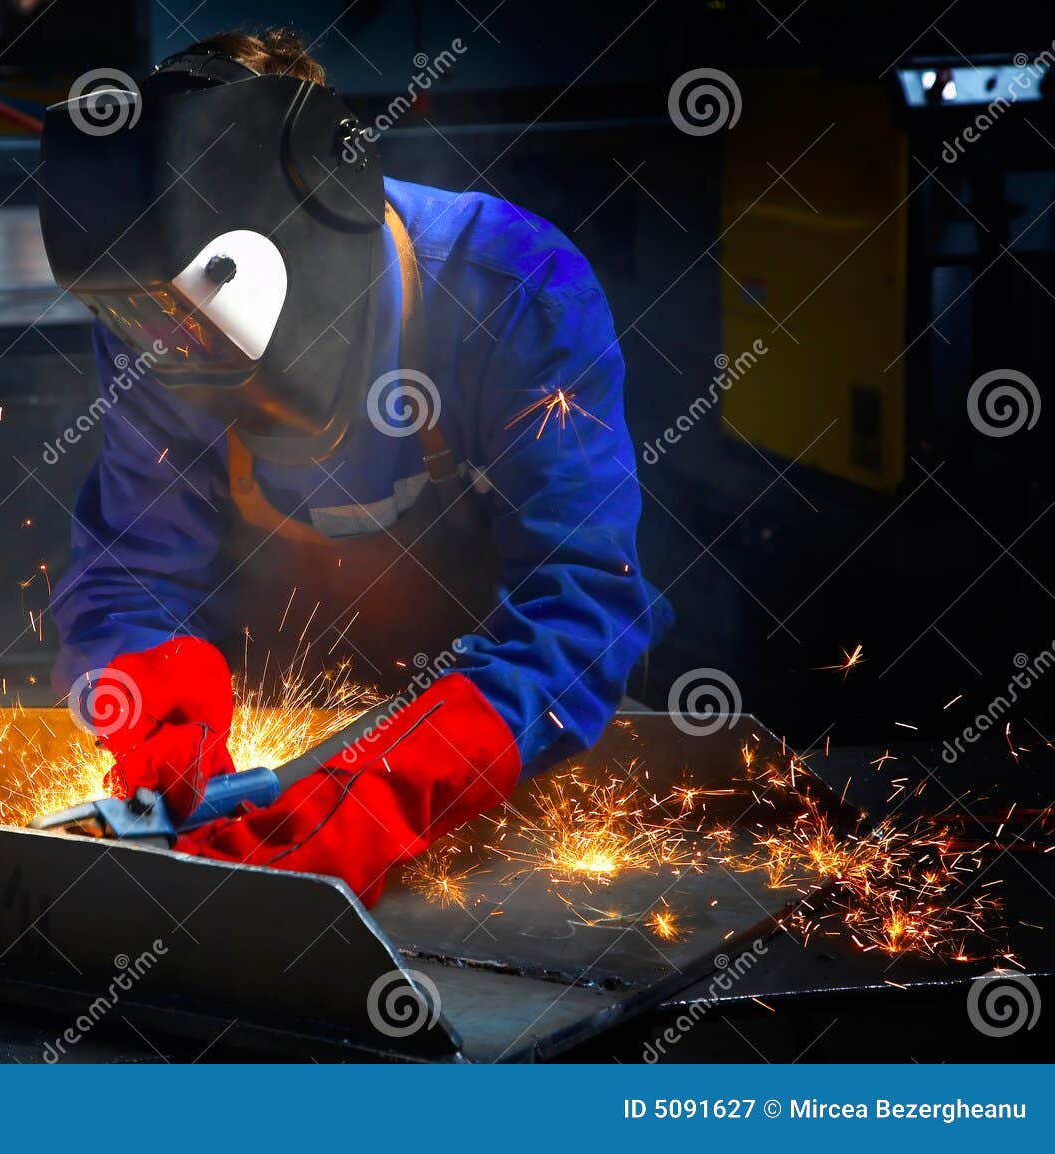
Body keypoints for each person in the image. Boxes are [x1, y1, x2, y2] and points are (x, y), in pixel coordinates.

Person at [38, 29, 670, 906]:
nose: (183, 355)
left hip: (488, 746)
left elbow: (585, 598)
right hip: (261, 749)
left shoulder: (514, 290)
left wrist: (401, 784)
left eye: (210, 332)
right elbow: (128, 581)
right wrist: (157, 712)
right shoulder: (159, 319)